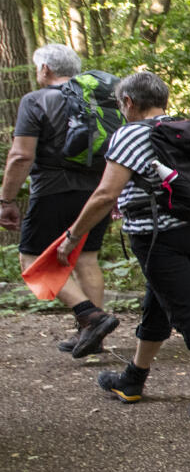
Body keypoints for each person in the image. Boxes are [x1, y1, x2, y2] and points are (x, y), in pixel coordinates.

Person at [58, 71, 190, 418]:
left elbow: (105, 194)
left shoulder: (130, 134)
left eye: (121, 105)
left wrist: (73, 235)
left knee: (185, 308)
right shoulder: (184, 128)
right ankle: (132, 379)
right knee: (158, 302)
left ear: (129, 102)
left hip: (159, 236)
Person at [0, 43, 119, 357]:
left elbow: (20, 156)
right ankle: (92, 335)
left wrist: (6, 200)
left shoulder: (36, 100)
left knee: (31, 258)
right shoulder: (100, 100)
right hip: (98, 191)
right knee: (86, 258)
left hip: (54, 188)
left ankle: (90, 317)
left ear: (45, 70)